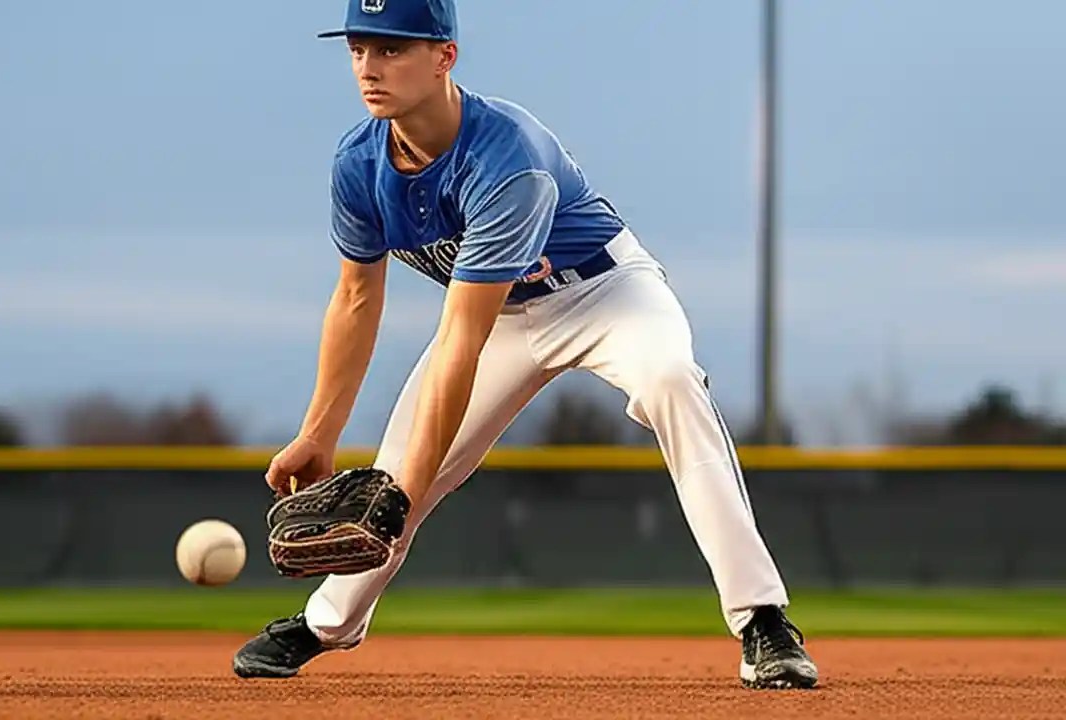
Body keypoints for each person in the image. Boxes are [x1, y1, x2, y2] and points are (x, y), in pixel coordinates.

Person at [232, 0, 818, 690]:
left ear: (445, 56)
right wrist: (318, 434)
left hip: (604, 293)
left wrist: (407, 486)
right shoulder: (358, 164)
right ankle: (326, 623)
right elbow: (357, 298)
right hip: (501, 318)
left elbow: (460, 336)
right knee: (396, 476)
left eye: (392, 48)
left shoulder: (507, 157)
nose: (369, 67)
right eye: (359, 48)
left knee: (671, 383)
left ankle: (763, 621)